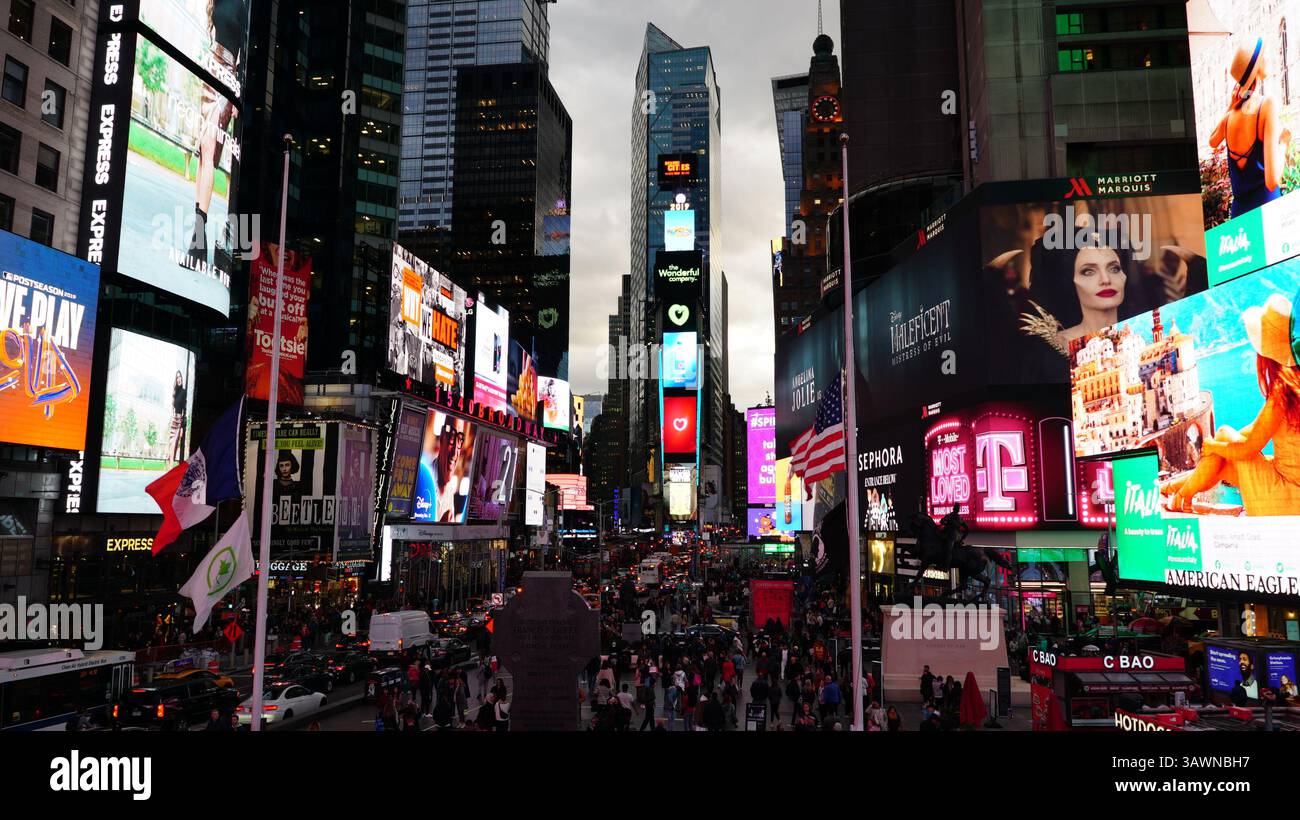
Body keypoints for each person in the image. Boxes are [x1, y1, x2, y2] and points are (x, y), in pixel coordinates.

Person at [1163, 296, 1300, 517]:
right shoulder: (1294, 387)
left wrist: (1213, 446)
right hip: (1292, 495)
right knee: (1224, 465)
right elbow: (1252, 433)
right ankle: (1174, 492)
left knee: (1225, 434)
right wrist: (1218, 447)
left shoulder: (1283, 393)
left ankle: (1180, 499)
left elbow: (1247, 448)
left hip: (1284, 502)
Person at [1209, 38, 1294, 218]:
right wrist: (1283, 143)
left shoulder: (1230, 116)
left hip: (1239, 214)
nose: (1268, 58)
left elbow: (1213, 141)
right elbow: (1272, 181)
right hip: (1268, 210)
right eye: (1264, 56)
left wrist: (1231, 105)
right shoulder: (1266, 104)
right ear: (1255, 67)